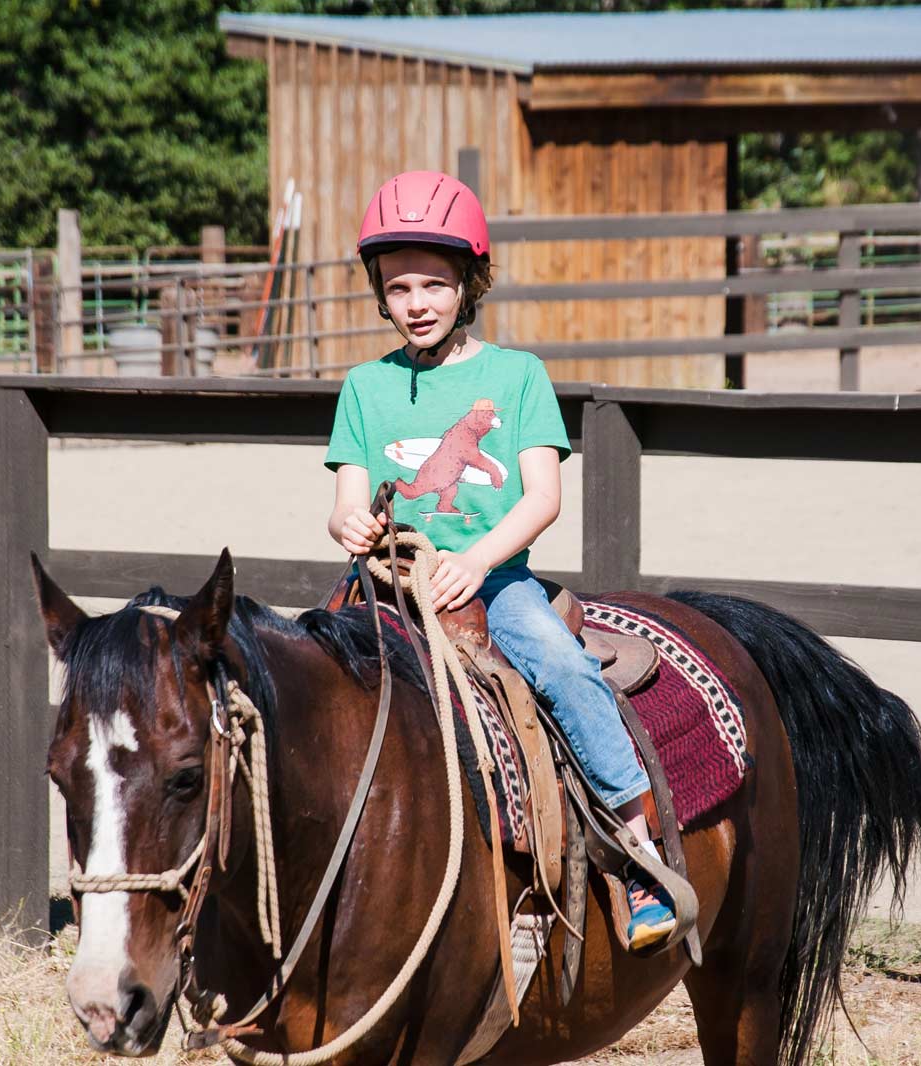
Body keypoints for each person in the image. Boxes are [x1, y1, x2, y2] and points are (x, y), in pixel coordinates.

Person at [323, 170, 676, 950]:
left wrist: (478, 562)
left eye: (435, 285)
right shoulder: (363, 386)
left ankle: (640, 850)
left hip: (493, 580)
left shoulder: (516, 376)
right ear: (380, 293)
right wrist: (350, 524)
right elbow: (349, 498)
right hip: (385, 581)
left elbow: (541, 497)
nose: (416, 302)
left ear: (470, 283)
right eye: (399, 286)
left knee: (560, 667)